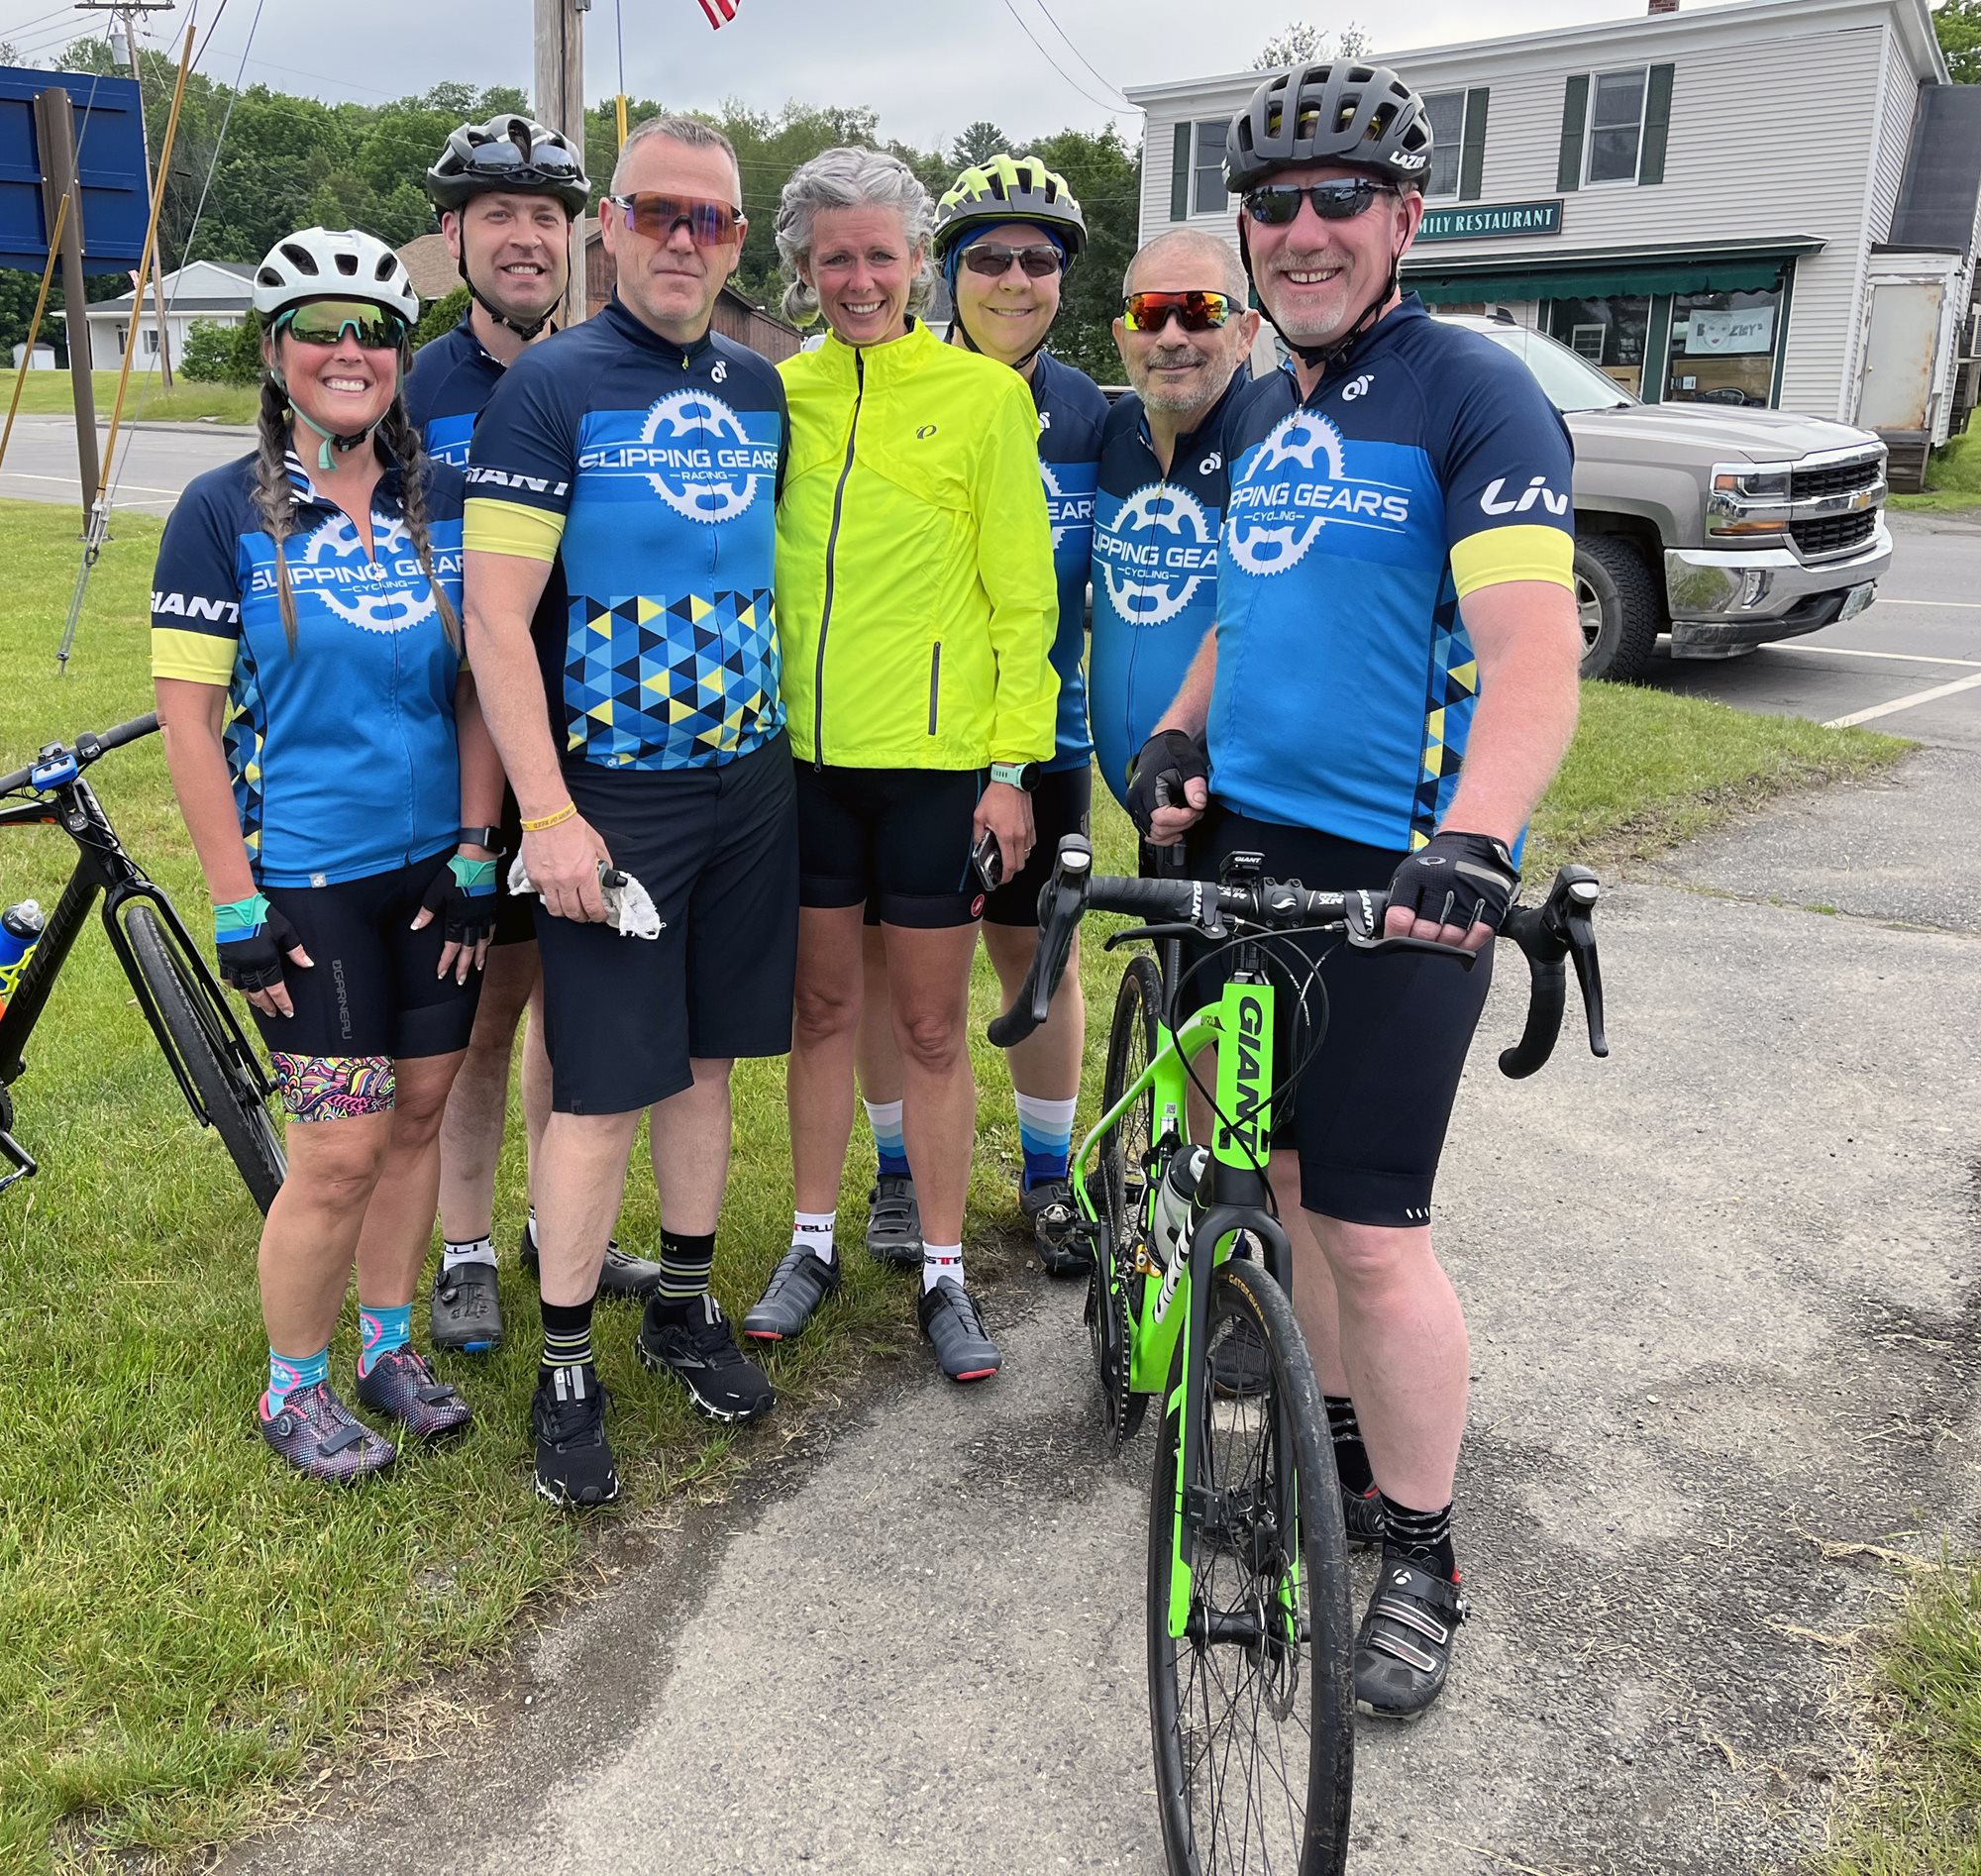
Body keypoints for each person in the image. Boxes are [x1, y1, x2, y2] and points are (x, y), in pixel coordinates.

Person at [1129, 62, 1582, 1720]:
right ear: (1248, 229)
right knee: (1283, 1173)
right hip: (1244, 854)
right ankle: (1325, 1442)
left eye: (1341, 199)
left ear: (1405, 219)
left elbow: (1538, 650)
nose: (1304, 228)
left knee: (1377, 1234)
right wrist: (1180, 734)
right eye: (1276, 202)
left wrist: (1472, 841)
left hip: (1404, 874)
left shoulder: (1474, 396)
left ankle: (1421, 1545)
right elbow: (1240, 612)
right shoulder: (1258, 405)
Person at [463, 116, 796, 1508]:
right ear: (612, 222)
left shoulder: (760, 389)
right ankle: (563, 1359)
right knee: (600, 1088)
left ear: (734, 240)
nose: (683, 240)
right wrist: (546, 814)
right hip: (612, 791)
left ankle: (683, 1303)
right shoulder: (550, 388)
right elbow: (494, 614)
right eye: (661, 212)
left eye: (711, 221)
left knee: (710, 1062)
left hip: (750, 781)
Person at [150, 226, 499, 1481]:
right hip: (305, 875)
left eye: (374, 333)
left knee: (415, 1118)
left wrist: (475, 846)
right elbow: (186, 719)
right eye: (321, 329)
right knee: (339, 1146)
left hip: (435, 873)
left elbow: (477, 690)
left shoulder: (439, 503)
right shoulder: (219, 513)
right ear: (275, 352)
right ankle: (289, 1386)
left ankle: (387, 1344)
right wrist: (233, 902)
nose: (349, 352)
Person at [743, 147, 1057, 1382]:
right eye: (835, 259)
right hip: (806, 764)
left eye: (880, 254)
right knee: (820, 1010)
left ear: (917, 261)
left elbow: (1022, 600)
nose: (859, 279)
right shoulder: (779, 394)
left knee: (928, 1025)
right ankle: (810, 1240)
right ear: (802, 270)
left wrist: (1007, 767)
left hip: (936, 768)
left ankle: (942, 1269)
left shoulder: (982, 397)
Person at [406, 113, 663, 1363]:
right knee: (484, 1010)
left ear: (579, 239)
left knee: (576, 1006)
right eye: (498, 214)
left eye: (546, 216)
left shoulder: (600, 374)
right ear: (452, 235)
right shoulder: (415, 392)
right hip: (463, 751)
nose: (524, 237)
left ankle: (566, 1231)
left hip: (594, 747)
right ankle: (461, 1248)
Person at [848, 154, 1106, 1280]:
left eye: (1036, 259)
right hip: (903, 736)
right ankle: (897, 1170)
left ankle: (1050, 1176)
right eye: (986, 257)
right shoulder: (886, 380)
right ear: (943, 271)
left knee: (1032, 955)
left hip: (1038, 734)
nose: (1012, 278)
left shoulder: (1094, 410)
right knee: (881, 968)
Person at [1090, 227, 1258, 818]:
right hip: (1139, 785)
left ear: (1246, 333)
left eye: (1201, 312)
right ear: (1121, 335)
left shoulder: (1275, 443)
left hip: (1230, 793)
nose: (1171, 337)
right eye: (1150, 314)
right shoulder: (1110, 431)